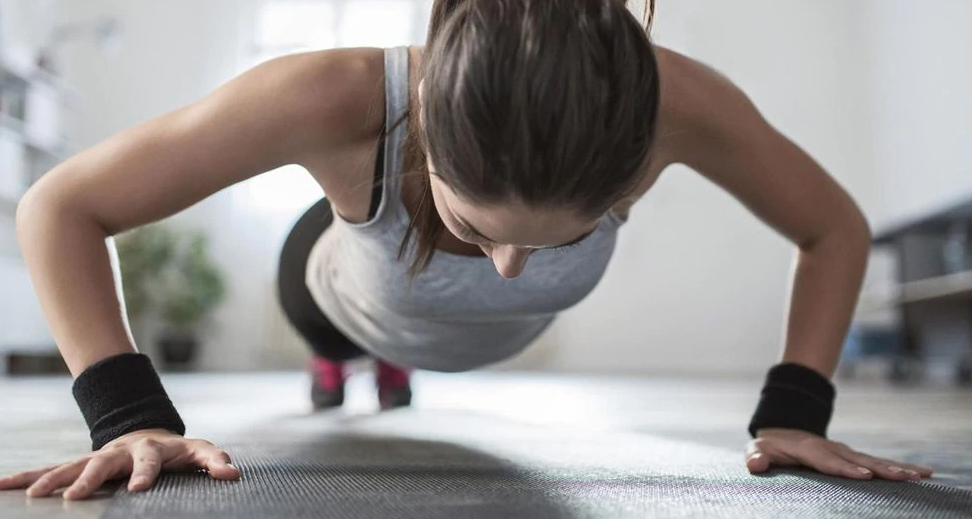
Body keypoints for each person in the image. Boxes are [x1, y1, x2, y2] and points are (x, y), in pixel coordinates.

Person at [0, 0, 933, 502]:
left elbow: (834, 226)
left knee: (441, 321)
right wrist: (126, 414)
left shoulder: (672, 105)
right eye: (477, 229)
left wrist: (795, 411)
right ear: (429, 129)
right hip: (333, 285)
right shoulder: (332, 96)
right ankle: (346, 361)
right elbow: (58, 206)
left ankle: (392, 364)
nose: (510, 267)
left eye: (558, 236)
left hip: (474, 334)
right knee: (340, 327)